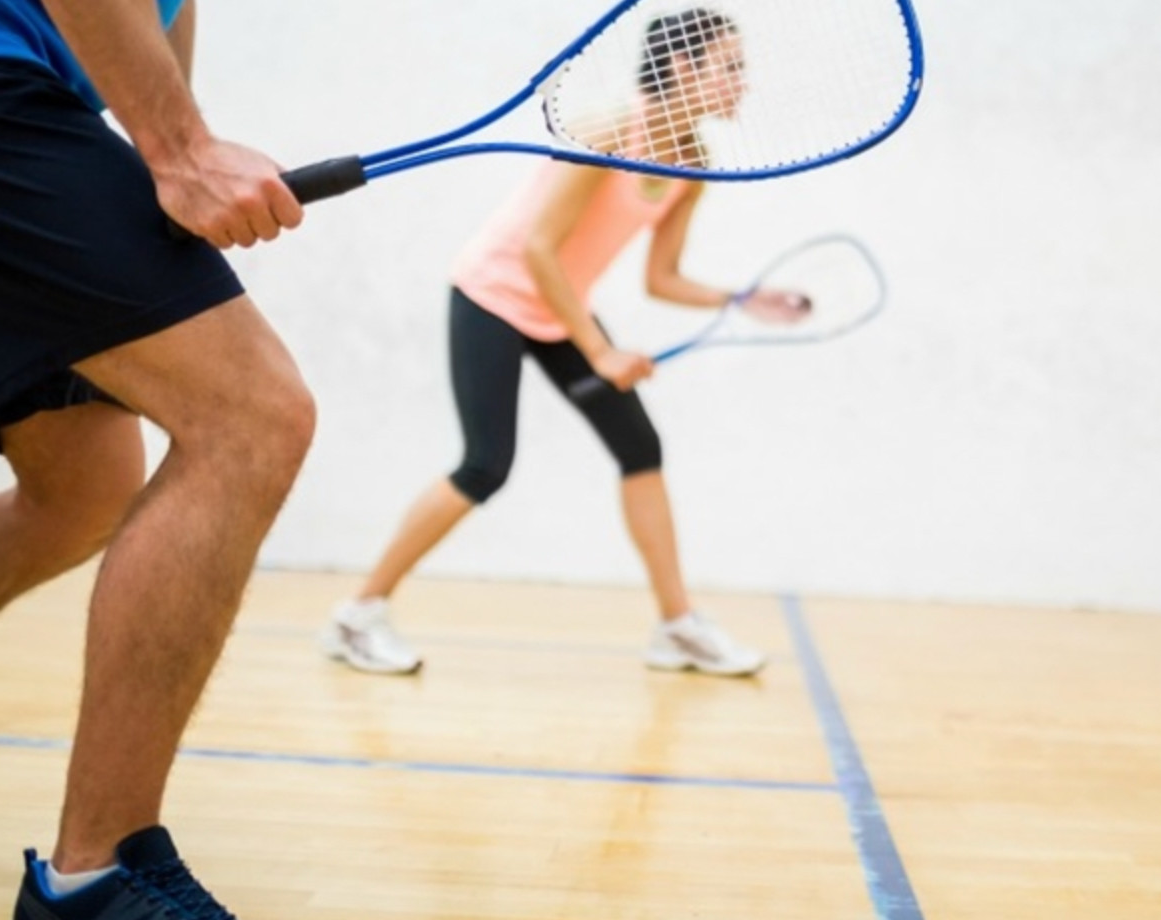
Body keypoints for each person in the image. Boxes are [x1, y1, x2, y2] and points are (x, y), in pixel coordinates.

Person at [322, 9, 802, 680]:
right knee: (485, 465)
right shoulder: (609, 132)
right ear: (683, 66)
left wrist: (742, 299)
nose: (743, 84)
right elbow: (539, 248)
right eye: (731, 67)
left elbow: (661, 278)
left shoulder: (694, 161)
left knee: (640, 448)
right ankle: (357, 616)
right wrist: (601, 352)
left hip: (557, 310)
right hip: (492, 296)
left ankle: (677, 627)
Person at [0, 1, 311, 918]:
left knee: (83, 489)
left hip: (44, 103)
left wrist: (161, 157)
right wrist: (179, 150)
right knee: (250, 418)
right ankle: (94, 878)